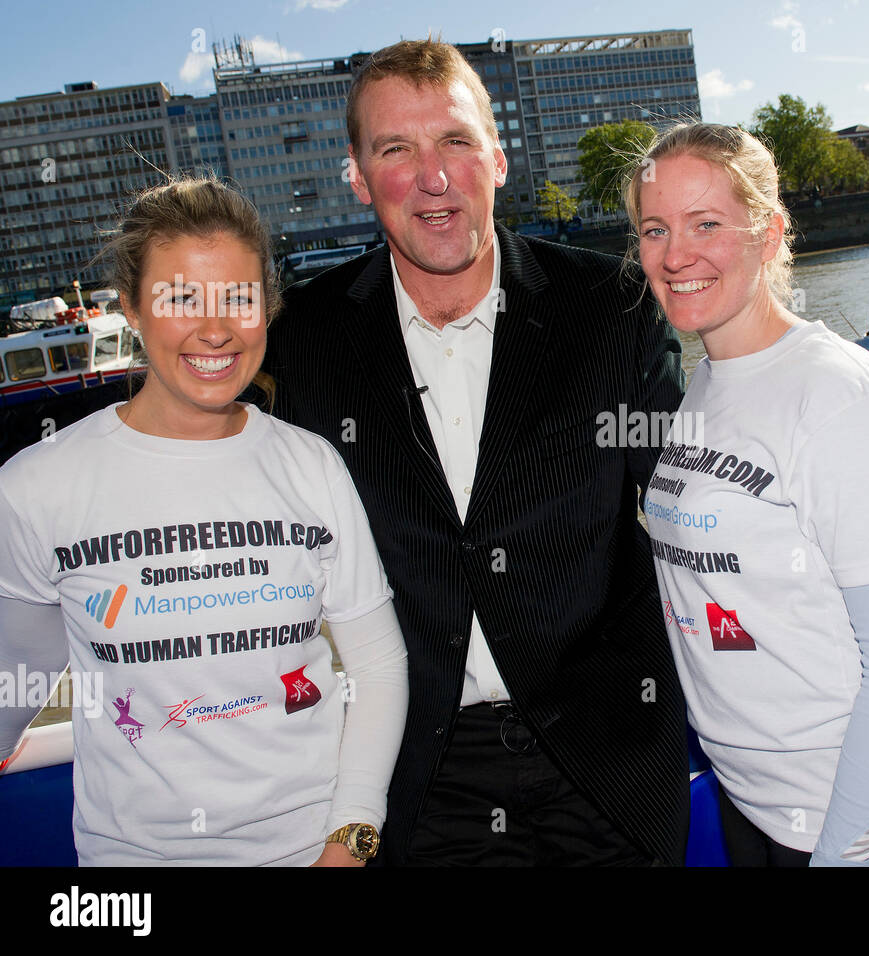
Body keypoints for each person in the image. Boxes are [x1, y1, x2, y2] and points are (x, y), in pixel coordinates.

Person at [261, 39, 689, 866]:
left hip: (605, 766)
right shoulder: (299, 342)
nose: (433, 176)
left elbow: (697, 512)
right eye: (397, 149)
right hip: (419, 781)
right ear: (357, 174)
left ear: (497, 156)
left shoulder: (611, 307)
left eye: (455, 141)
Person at [0, 175, 408, 866]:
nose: (215, 328)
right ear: (130, 305)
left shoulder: (312, 466)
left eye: (239, 299)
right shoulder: (38, 486)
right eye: (180, 297)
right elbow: (18, 679)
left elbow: (377, 664)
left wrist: (351, 840)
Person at [625, 123, 869, 867]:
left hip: (860, 827)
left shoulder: (839, 399)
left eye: (706, 224)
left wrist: (842, 856)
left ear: (769, 232)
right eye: (655, 229)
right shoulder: (706, 387)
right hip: (754, 804)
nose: (676, 255)